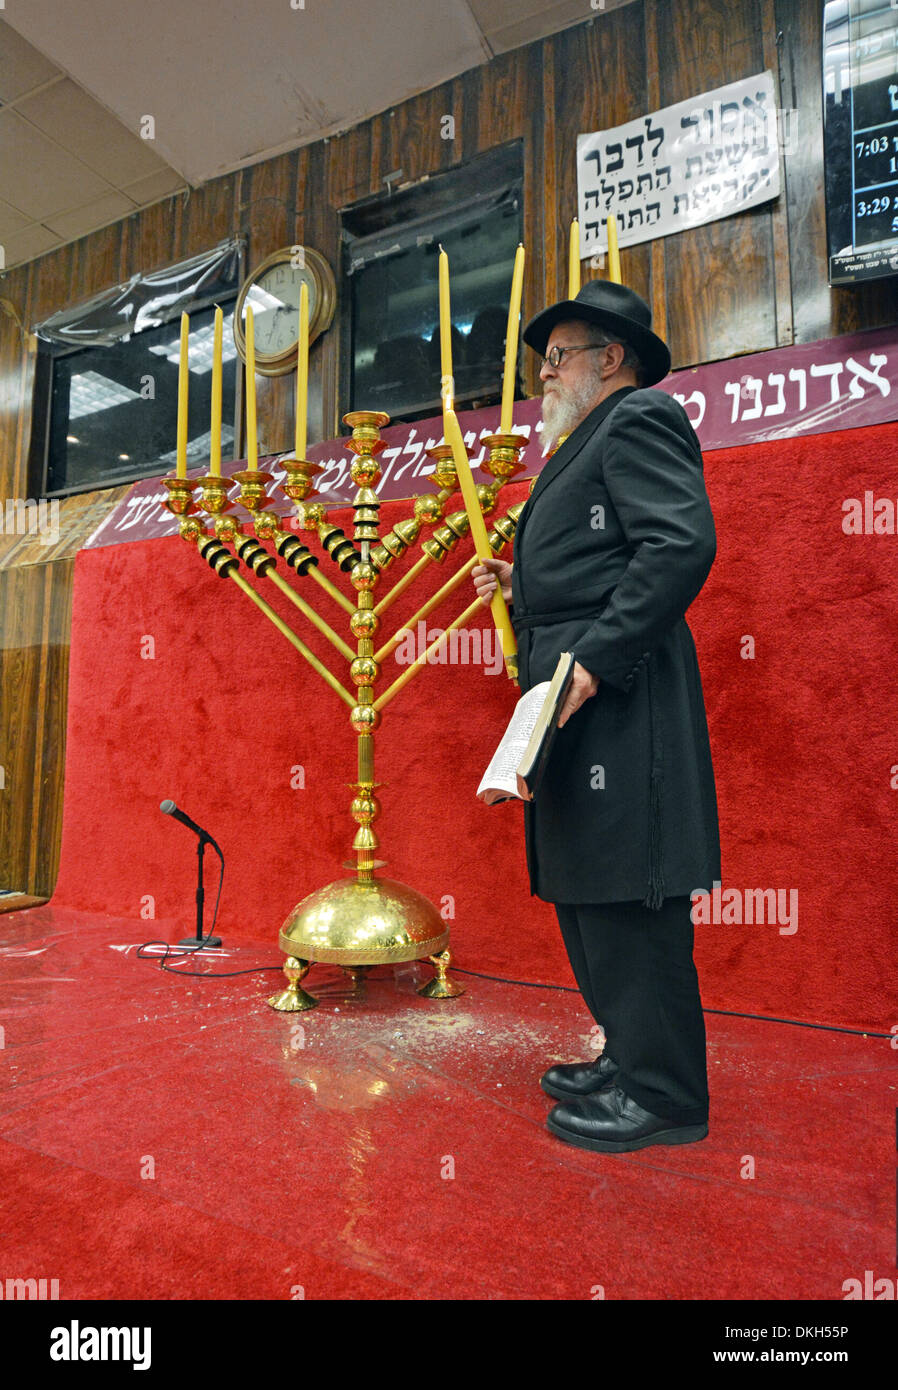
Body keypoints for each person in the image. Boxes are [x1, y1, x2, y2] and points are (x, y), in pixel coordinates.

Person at [473, 280, 720, 1154]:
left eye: (557, 359)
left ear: (608, 358)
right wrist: (523, 586)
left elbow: (680, 543)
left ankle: (666, 1096)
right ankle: (629, 1051)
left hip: (618, 697)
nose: (545, 376)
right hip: (575, 693)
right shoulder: (581, 444)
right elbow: (607, 552)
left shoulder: (637, 418)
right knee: (587, 886)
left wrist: (594, 659)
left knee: (628, 890)